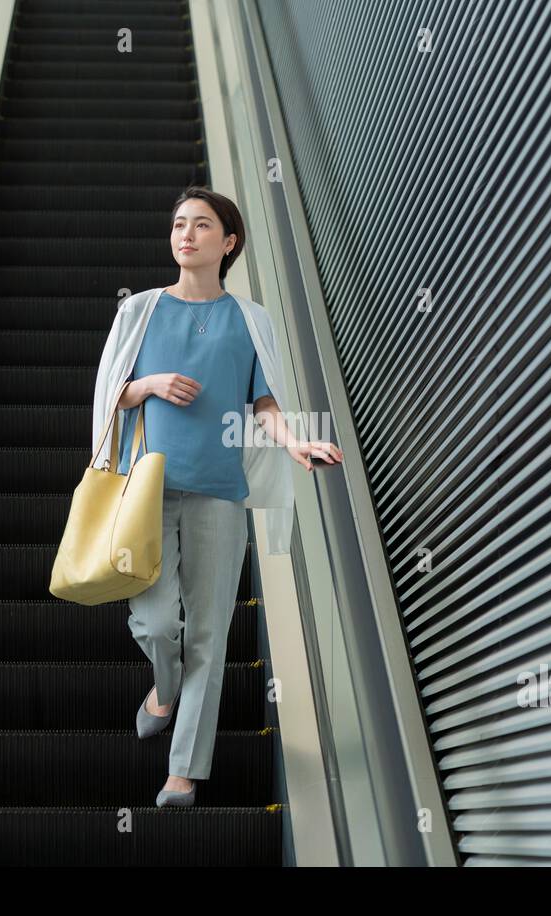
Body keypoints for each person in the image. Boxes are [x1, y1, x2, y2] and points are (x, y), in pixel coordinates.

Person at [107, 186, 342, 807]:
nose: (185, 234)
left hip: (218, 493)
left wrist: (294, 443)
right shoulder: (141, 312)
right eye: (179, 223)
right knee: (158, 624)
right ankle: (162, 688)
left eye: (201, 225)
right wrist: (150, 383)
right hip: (146, 492)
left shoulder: (249, 318)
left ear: (227, 242)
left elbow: (263, 401)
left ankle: (183, 771)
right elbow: (111, 396)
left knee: (209, 633)